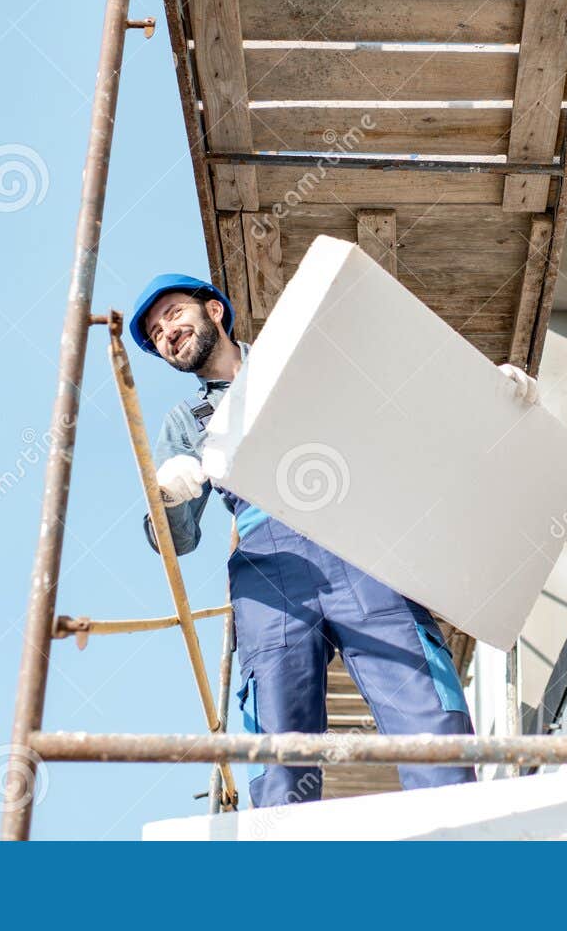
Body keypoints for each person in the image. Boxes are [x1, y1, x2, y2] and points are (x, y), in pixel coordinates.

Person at [128, 272, 542, 809]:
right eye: (157, 334)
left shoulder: (298, 355)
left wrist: (483, 394)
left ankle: (457, 826)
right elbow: (176, 544)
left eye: (175, 314)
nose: (168, 333)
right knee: (279, 723)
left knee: (416, 686)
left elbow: (397, 395)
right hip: (268, 563)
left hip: (352, 536)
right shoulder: (186, 422)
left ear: (213, 310)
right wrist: (169, 497)